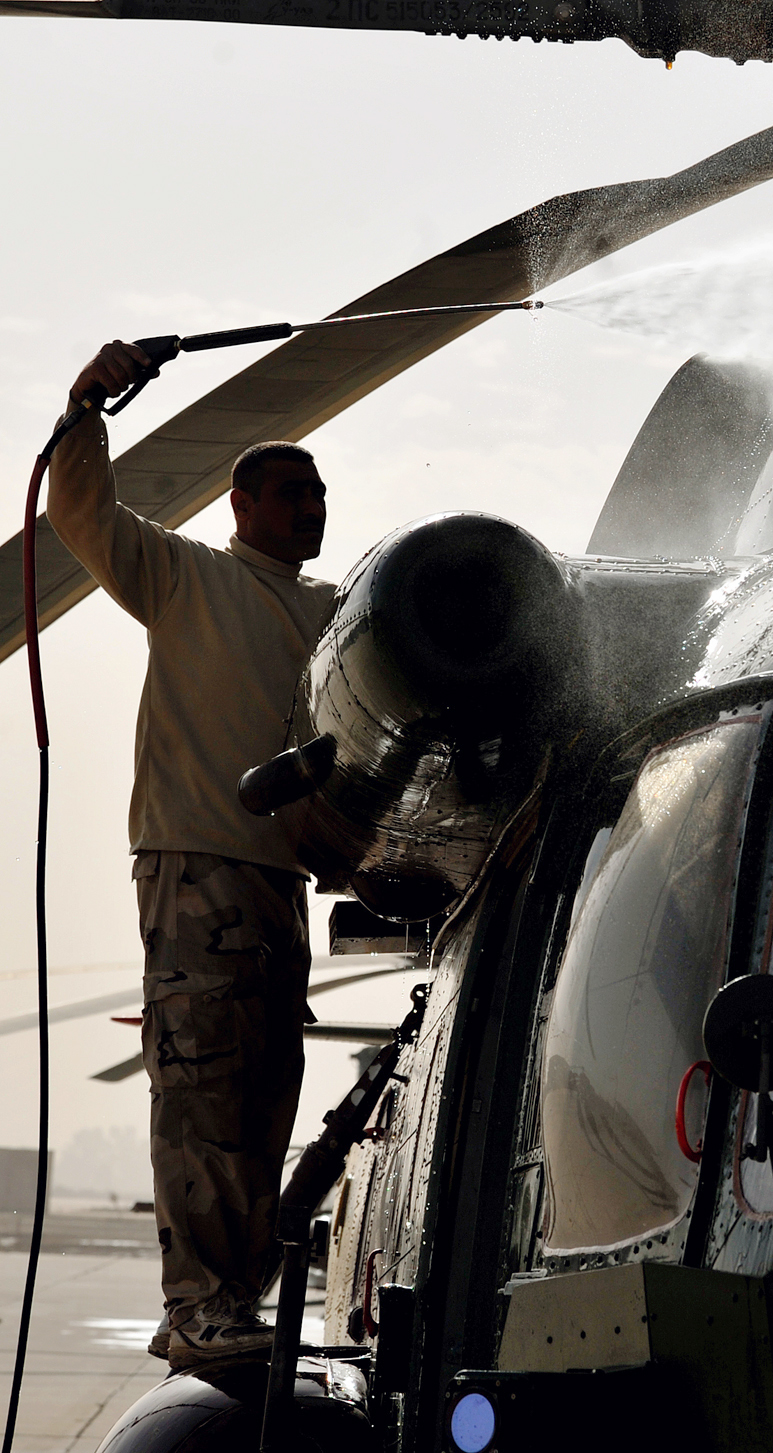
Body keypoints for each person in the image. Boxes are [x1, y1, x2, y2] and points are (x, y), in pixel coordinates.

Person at [50, 341, 338, 1369]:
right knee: (207, 1086)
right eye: (294, 494)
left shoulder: (329, 615)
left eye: (319, 495)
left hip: (278, 881)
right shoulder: (186, 576)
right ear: (242, 504)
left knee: (263, 1091)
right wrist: (89, 407)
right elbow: (79, 515)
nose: (313, 510)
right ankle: (198, 1305)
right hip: (196, 865)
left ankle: (233, 1301)